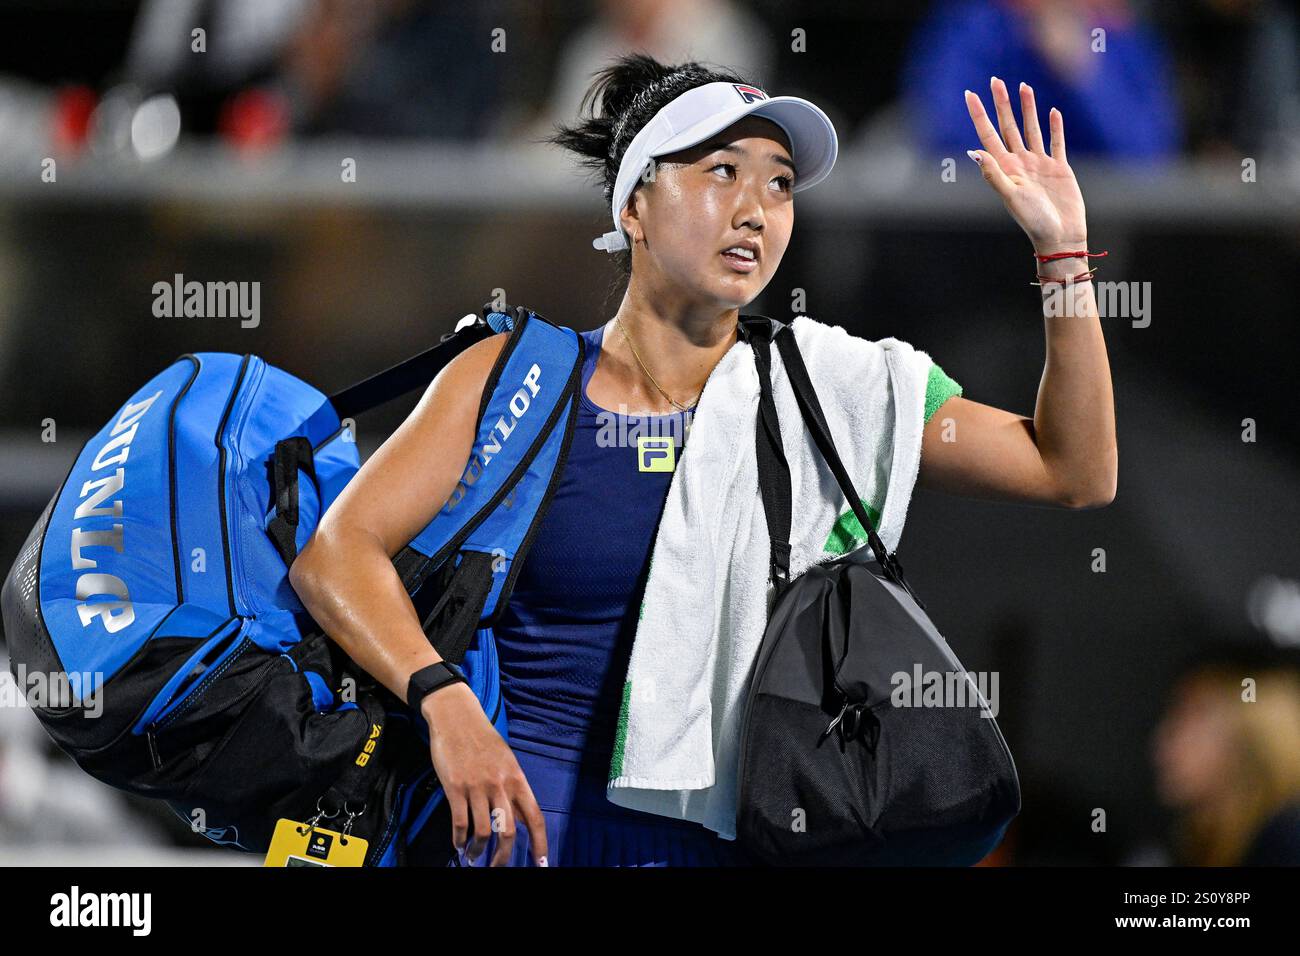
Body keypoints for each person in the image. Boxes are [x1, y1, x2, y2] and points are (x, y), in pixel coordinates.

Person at [287, 53, 1117, 866]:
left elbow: (1075, 470)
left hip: (724, 846)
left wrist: (1063, 256)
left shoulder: (831, 387)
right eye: (722, 171)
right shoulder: (513, 377)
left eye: (781, 183)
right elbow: (337, 553)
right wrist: (444, 702)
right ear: (635, 207)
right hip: (507, 831)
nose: (757, 209)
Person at [1152, 648, 1300, 866]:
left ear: (1254, 735)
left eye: (1189, 717)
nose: (1163, 745)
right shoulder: (1206, 844)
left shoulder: (1286, 845)